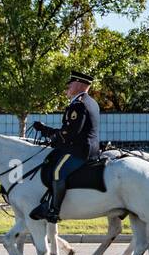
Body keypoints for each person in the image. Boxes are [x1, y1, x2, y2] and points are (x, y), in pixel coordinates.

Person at [29, 71, 101, 223]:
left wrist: (48, 133)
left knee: (57, 172)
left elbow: (70, 133)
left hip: (79, 151)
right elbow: (71, 131)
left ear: (79, 85)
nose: (68, 86)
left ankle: (54, 211)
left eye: (71, 83)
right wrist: (46, 130)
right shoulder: (90, 101)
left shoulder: (78, 105)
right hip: (88, 147)